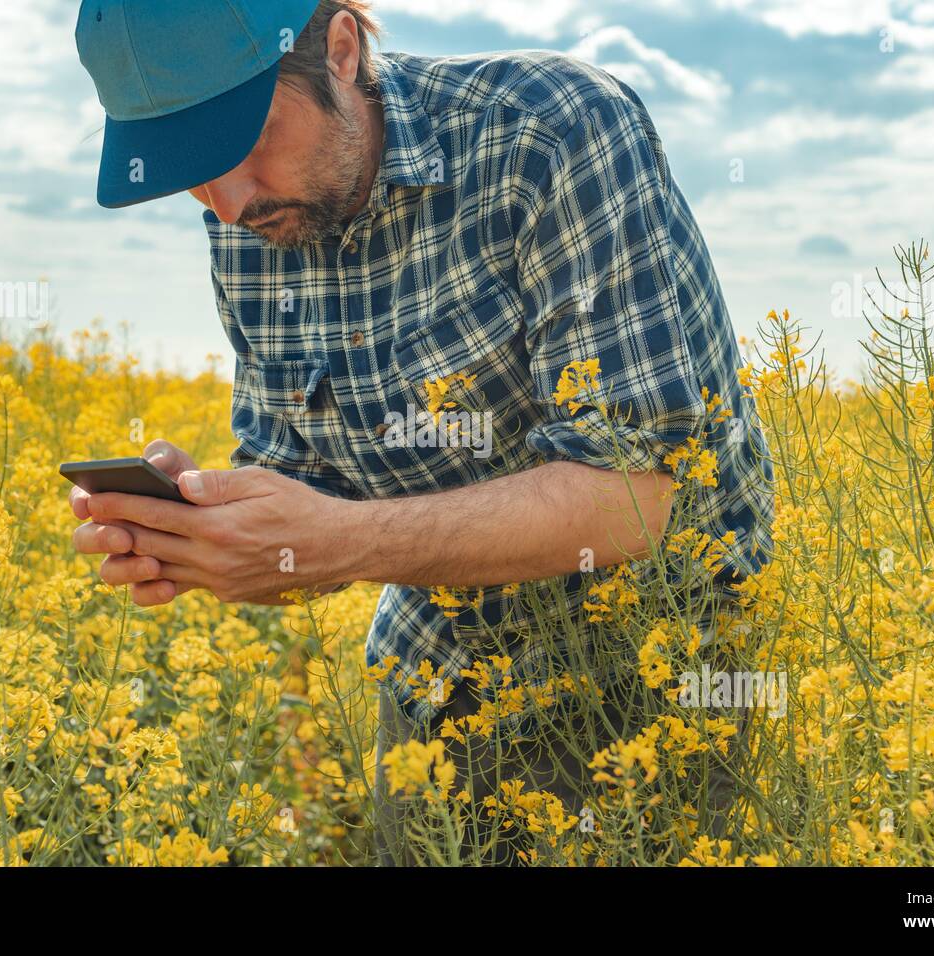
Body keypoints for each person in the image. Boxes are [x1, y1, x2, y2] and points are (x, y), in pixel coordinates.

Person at [70, 0, 774, 865]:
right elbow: (306, 498)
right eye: (192, 171)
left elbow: (632, 499)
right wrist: (212, 528)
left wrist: (335, 541)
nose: (225, 204)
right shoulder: (254, 221)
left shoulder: (553, 133)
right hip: (436, 685)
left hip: (651, 687)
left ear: (339, 48)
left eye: (239, 144)